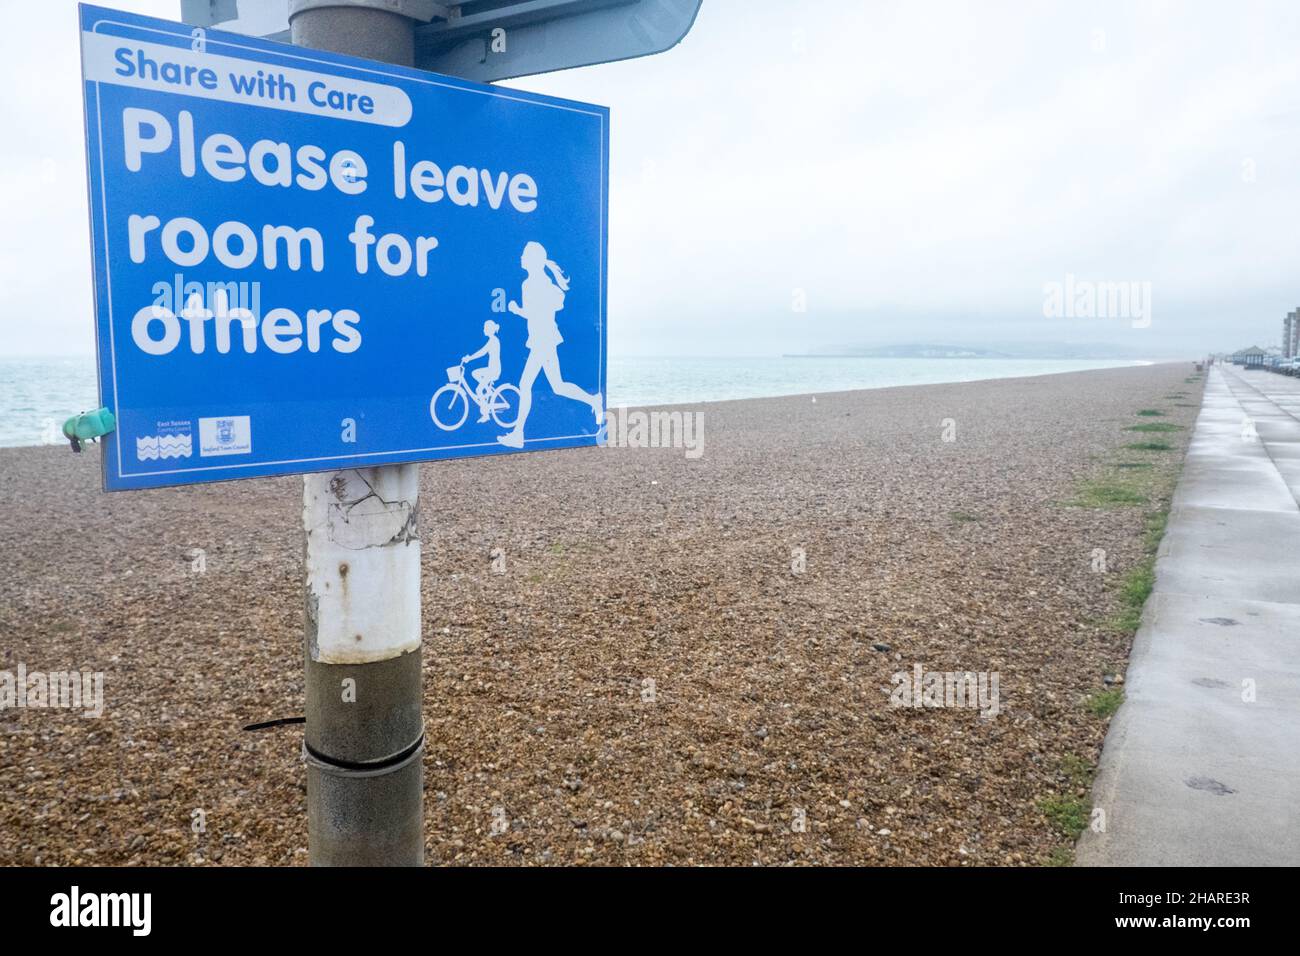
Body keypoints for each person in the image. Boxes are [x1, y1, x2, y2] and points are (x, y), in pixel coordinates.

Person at [497, 241, 602, 448]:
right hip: (544, 338)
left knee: (525, 385)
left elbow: (533, 313)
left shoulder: (532, 284)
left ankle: (518, 434)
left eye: (525, 255)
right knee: (558, 385)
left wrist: (516, 309)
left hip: (542, 339)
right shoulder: (538, 281)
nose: (521, 258)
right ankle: (593, 400)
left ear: (533, 260)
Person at [462, 319, 502, 423]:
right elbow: (482, 351)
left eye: (485, 328)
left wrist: (469, 358)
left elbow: (482, 352)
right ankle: (488, 390)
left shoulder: (493, 340)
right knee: (475, 373)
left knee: (478, 390)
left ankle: (485, 415)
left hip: (493, 370)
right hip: (491, 369)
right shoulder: (492, 340)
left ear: (489, 329)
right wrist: (469, 358)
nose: (483, 329)